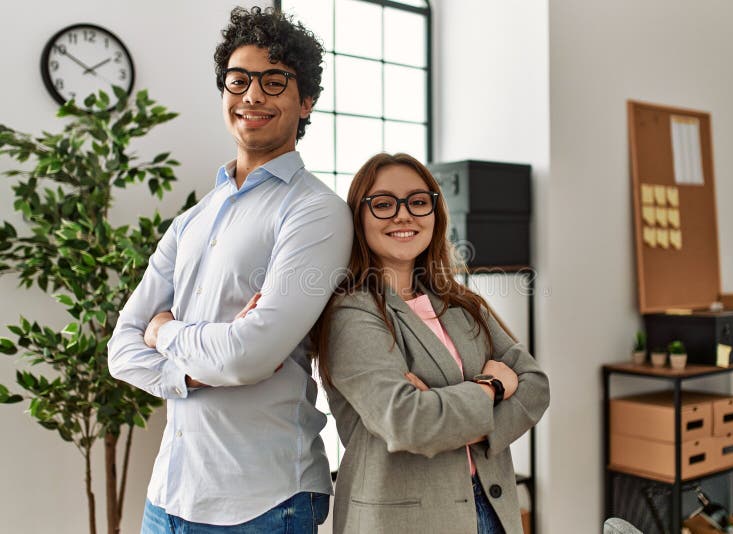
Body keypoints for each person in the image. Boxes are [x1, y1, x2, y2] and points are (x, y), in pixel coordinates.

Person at [107, 6, 352, 533]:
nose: (252, 96)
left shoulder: (315, 212)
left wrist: (164, 330)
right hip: (167, 497)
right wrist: (193, 367)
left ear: (305, 101)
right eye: (238, 80)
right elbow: (121, 348)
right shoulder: (194, 218)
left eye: (273, 81)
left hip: (262, 502)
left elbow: (251, 355)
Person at [314, 153, 550, 534]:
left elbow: (535, 384)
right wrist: (492, 387)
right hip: (403, 521)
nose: (404, 215)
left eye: (418, 202)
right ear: (359, 216)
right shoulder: (352, 311)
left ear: (435, 213)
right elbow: (409, 423)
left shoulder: (459, 302)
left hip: (491, 508)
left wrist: (447, 416)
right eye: (384, 204)